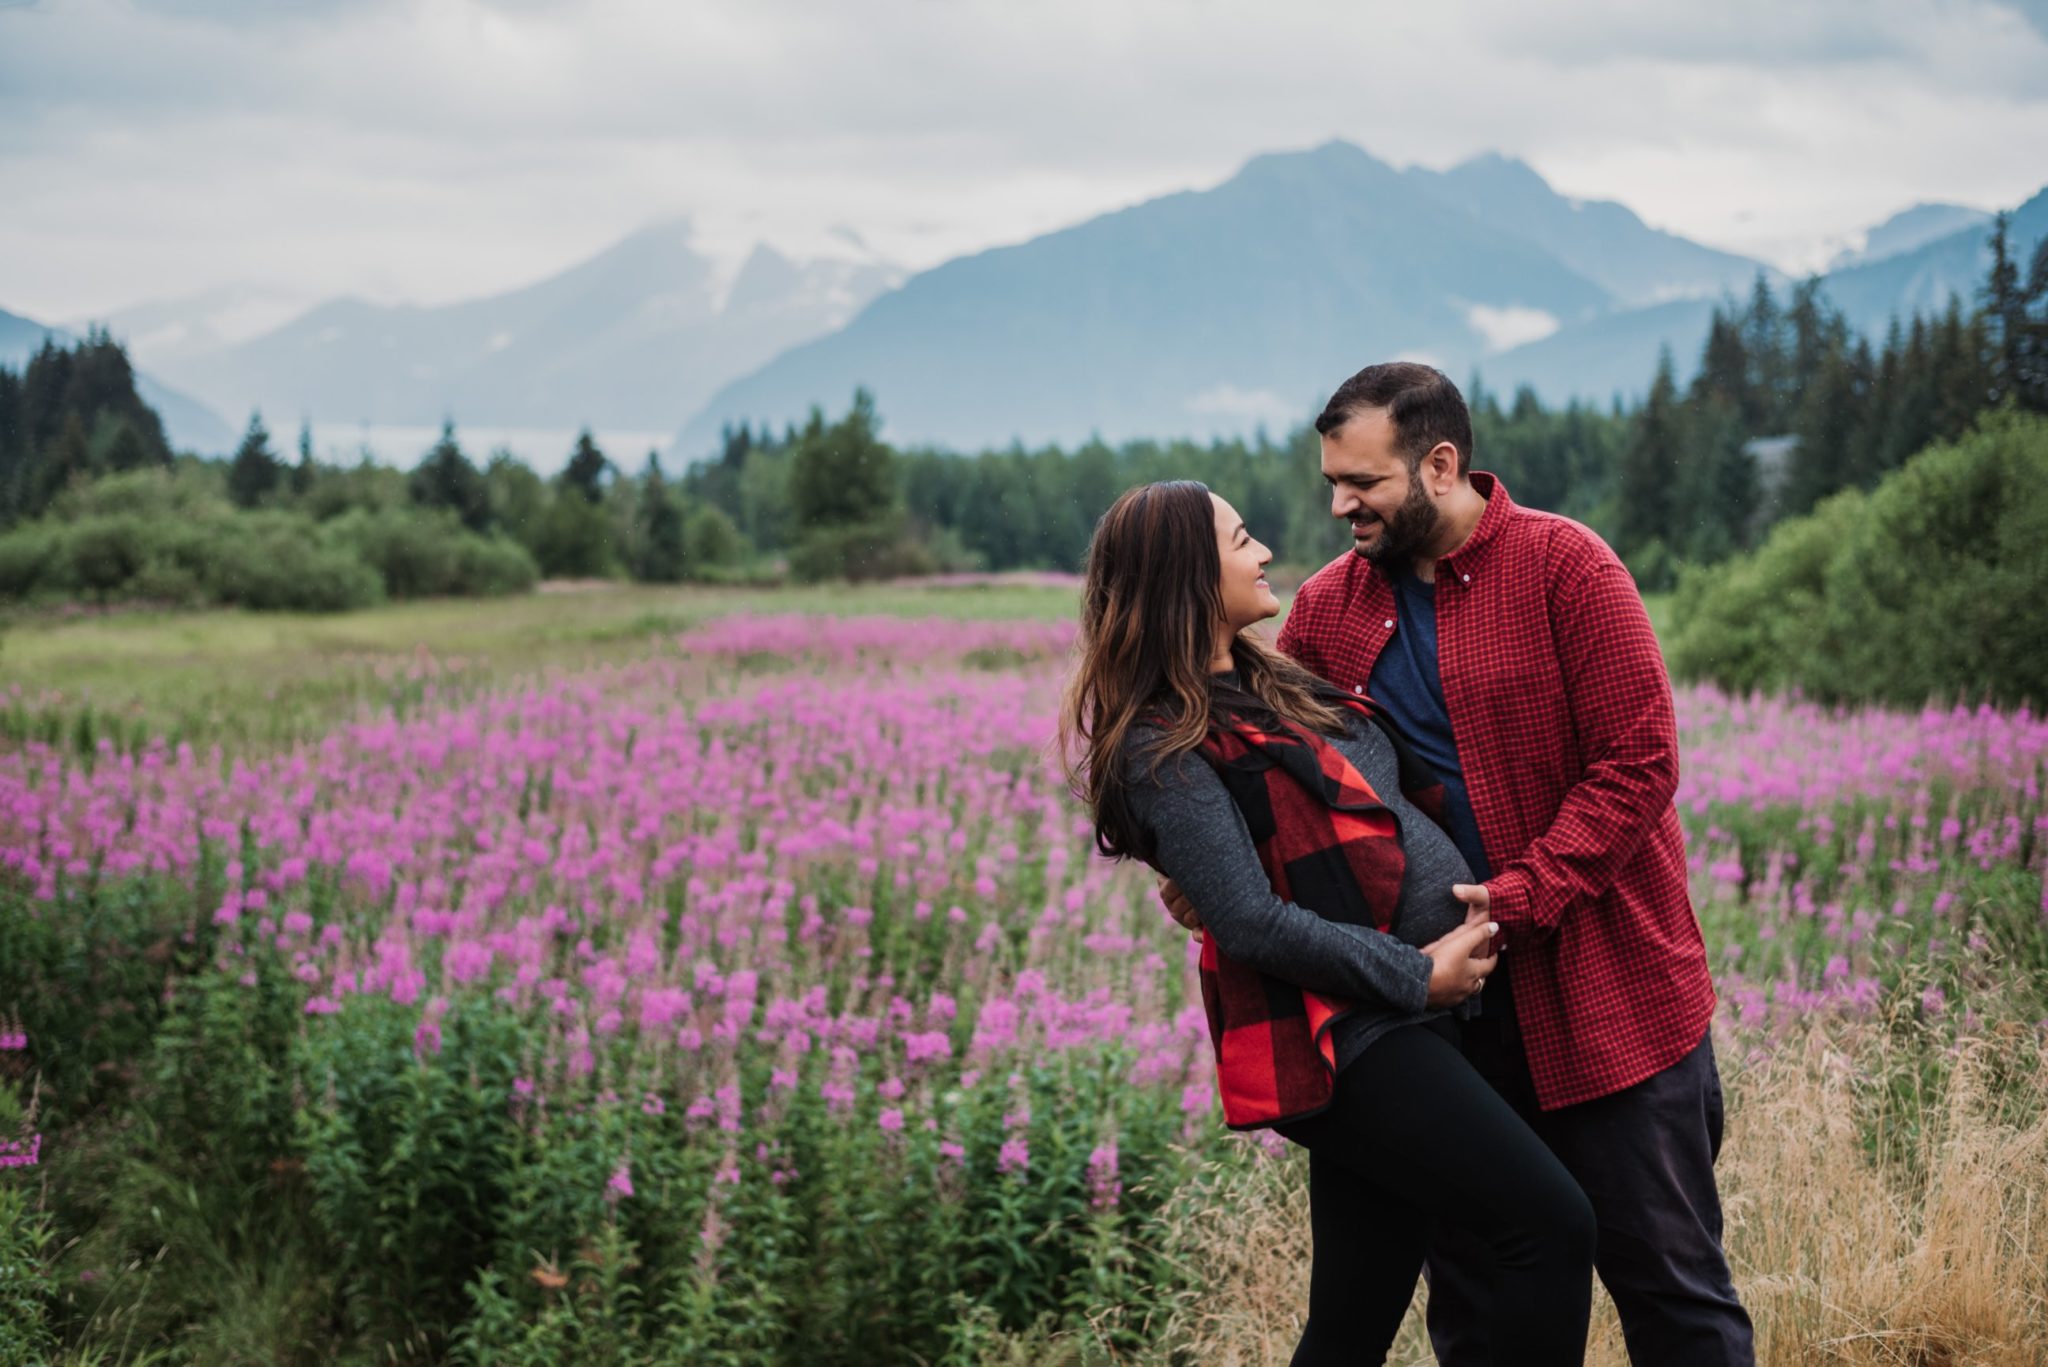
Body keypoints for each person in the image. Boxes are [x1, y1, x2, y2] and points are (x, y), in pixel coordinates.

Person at [1164, 362, 1754, 1366]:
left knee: (1673, 1293)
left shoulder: (1567, 566)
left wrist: (1515, 899)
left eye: (1363, 482)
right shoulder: (1326, 613)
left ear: (1439, 465)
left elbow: (1639, 761)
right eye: (1331, 482)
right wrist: (1208, 870)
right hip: (1443, 1024)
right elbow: (1271, 774)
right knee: (1485, 1308)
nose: (1339, 505)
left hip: (1608, 998)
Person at [1062, 479, 1595, 1366]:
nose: (1265, 552)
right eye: (1242, 540)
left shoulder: (1268, 681)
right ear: (1188, 575)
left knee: (1354, 1313)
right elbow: (1250, 921)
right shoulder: (1161, 746)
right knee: (1551, 1224)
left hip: (1394, 1019)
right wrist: (1417, 974)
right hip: (1342, 1034)